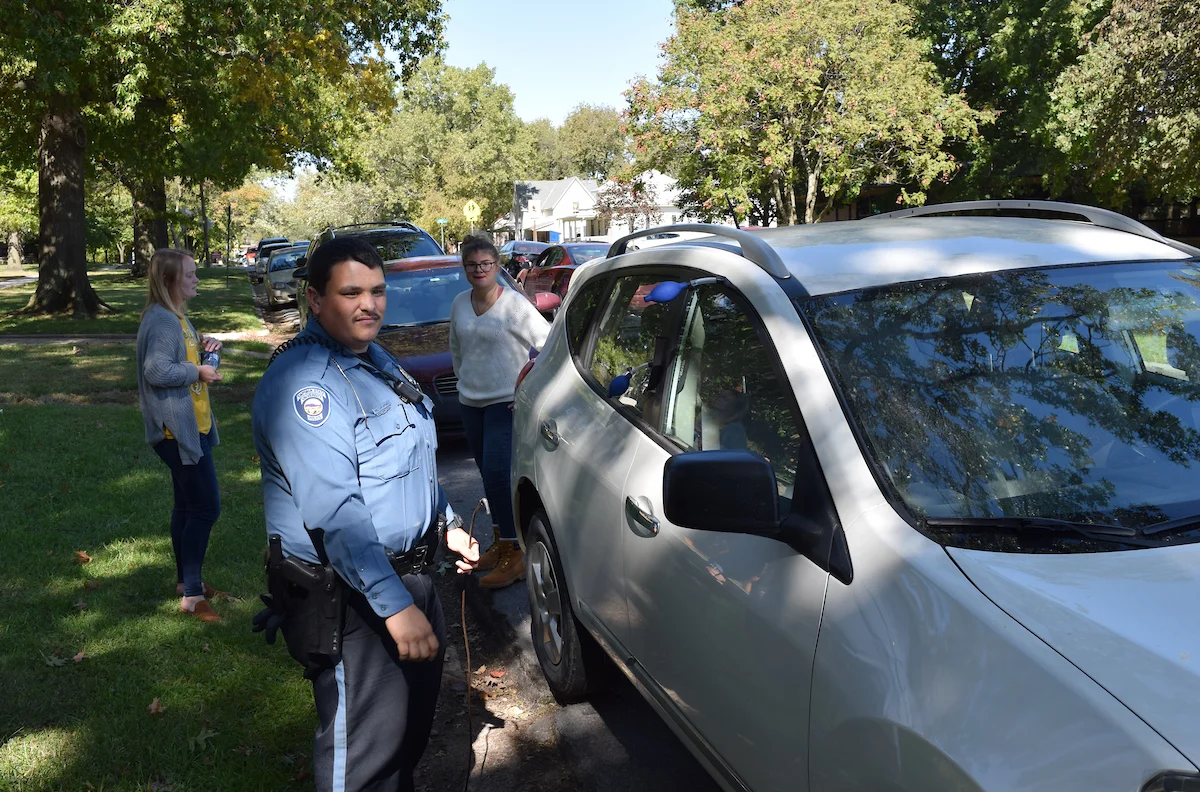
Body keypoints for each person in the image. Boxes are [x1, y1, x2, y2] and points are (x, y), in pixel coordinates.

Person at [251, 236, 480, 792]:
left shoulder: (369, 359)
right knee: (363, 757)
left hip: (410, 577)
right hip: (356, 598)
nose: (369, 305)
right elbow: (337, 512)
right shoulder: (307, 385)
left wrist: (446, 525)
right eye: (351, 292)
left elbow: (407, 464)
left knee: (406, 738)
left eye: (377, 291)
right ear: (314, 298)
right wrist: (396, 607)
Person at [449, 235, 550, 588]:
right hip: (470, 403)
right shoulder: (460, 304)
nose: (479, 270)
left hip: (504, 403)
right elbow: (456, 348)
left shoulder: (515, 307)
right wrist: (464, 382)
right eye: (472, 265)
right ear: (464, 269)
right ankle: (503, 541)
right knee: (486, 474)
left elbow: (549, 345)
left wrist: (527, 385)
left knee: (497, 474)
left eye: (485, 264)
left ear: (497, 266)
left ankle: (516, 556)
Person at [135, 248, 224, 622]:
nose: (196, 279)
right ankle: (191, 595)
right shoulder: (164, 322)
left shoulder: (177, 317)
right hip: (176, 433)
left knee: (187, 506)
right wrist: (197, 373)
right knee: (206, 507)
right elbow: (157, 372)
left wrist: (209, 356)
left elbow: (185, 363)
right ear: (170, 280)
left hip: (190, 426)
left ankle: (185, 582)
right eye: (190, 275)